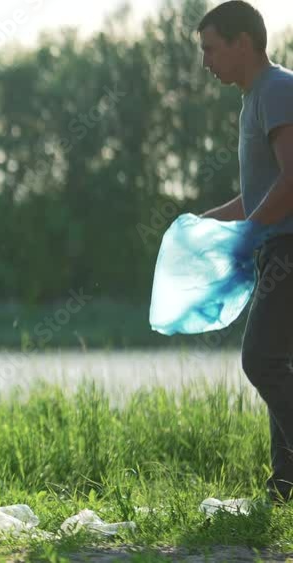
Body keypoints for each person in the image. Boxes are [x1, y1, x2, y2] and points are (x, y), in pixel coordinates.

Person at [197, 1, 293, 504]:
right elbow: (261, 192)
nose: (206, 62)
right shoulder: (255, 97)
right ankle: (286, 487)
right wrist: (207, 223)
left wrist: (249, 230)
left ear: (243, 43)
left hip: (289, 248)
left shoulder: (277, 90)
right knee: (279, 361)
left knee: (261, 359)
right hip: (276, 246)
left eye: (211, 49)